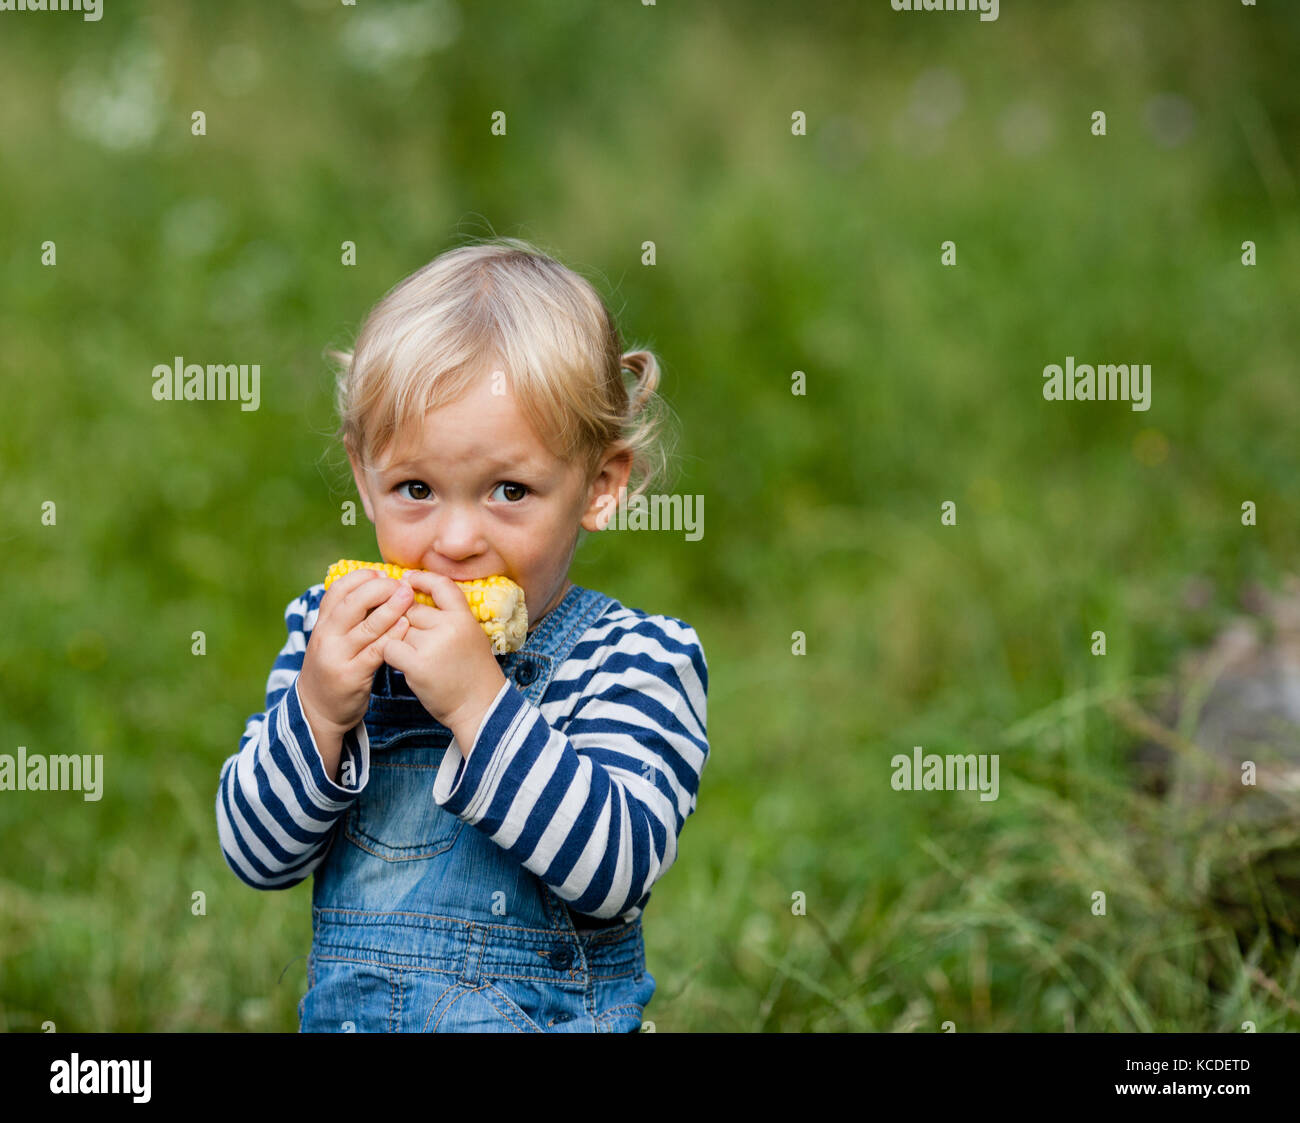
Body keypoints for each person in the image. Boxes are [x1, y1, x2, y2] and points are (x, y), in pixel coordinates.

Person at [215, 237, 709, 1032]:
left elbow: (619, 869)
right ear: (362, 476)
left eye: (508, 490)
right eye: (415, 488)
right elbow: (256, 854)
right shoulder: (331, 638)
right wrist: (316, 712)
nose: (453, 539)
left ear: (601, 485)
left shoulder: (634, 659)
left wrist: (481, 704)